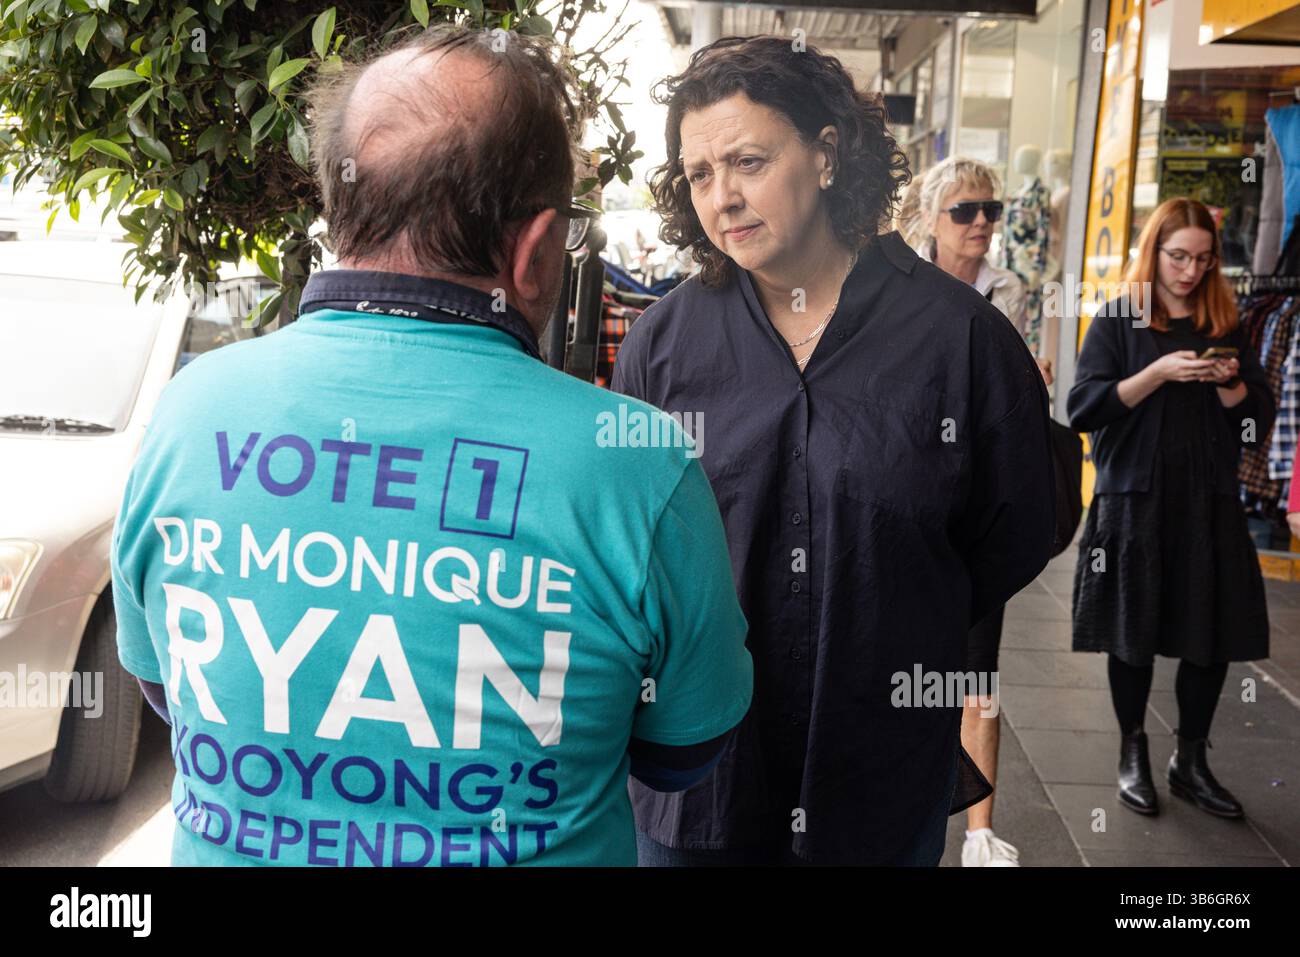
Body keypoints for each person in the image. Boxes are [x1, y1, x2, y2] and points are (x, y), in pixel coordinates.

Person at [110, 24, 752, 867]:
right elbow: (682, 750)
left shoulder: (188, 417)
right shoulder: (637, 464)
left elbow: (167, 688)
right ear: (537, 250)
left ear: (340, 209)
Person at [613, 35, 1055, 866]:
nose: (723, 197)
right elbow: (632, 543)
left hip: (876, 764)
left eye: (747, 160)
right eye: (699, 174)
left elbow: (1015, 528)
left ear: (825, 154)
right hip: (702, 771)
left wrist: (893, 604)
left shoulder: (960, 340)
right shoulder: (663, 346)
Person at [1068, 197, 1273, 820]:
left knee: (1208, 639)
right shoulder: (1120, 318)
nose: (1189, 271)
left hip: (1209, 502)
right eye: (1178, 256)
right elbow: (1083, 409)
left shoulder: (1224, 320)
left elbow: (1256, 420)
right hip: (1134, 500)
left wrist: (1232, 383)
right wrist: (1156, 373)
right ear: (1153, 251)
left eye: (1203, 260)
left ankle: (1191, 759)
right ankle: (1133, 752)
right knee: (1132, 637)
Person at [908, 155, 1045, 867]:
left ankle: (981, 830)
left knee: (976, 673)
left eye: (990, 209)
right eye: (966, 210)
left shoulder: (1011, 292)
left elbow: (1021, 397)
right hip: (911, 494)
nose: (983, 223)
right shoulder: (900, 287)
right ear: (931, 217)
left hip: (977, 499)